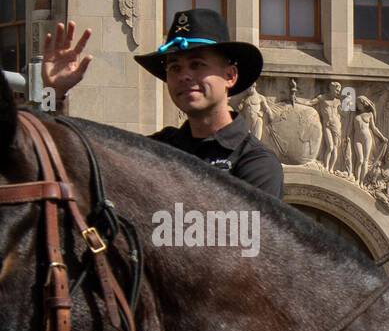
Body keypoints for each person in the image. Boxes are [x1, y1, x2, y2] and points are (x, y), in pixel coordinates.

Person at [41, 11, 283, 197]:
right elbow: (71, 166)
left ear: (230, 76)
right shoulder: (155, 149)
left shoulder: (255, 163)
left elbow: (245, 248)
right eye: (174, 68)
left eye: (197, 65)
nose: (184, 75)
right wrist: (53, 95)